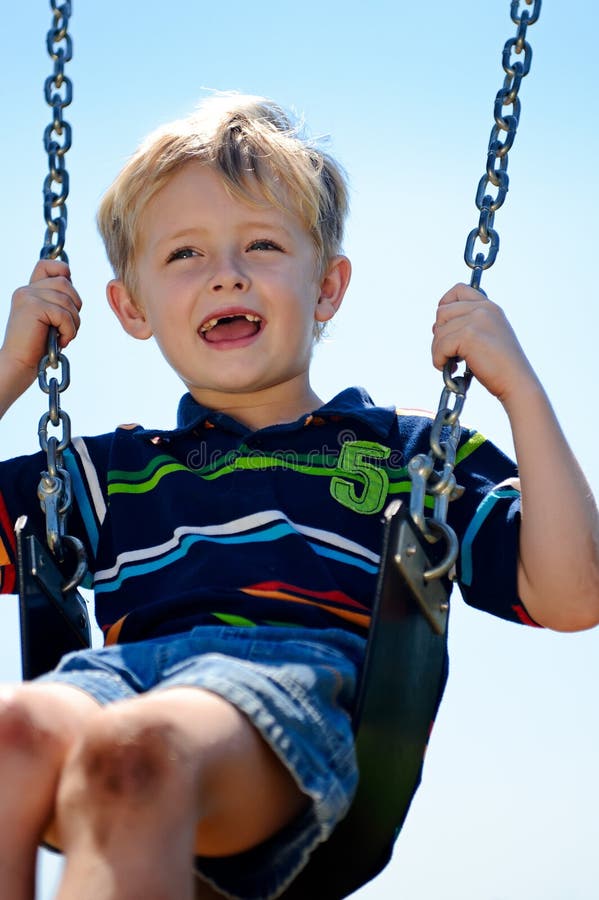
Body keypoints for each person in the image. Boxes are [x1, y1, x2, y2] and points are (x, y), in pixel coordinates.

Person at [0, 94, 598, 900]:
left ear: (326, 288)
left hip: (288, 696)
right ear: (130, 307)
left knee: (133, 755)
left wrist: (518, 388)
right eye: (184, 255)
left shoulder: (402, 454)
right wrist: (9, 372)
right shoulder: (102, 475)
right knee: (15, 733)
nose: (227, 274)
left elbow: (571, 595)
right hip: (117, 683)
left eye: (262, 244)